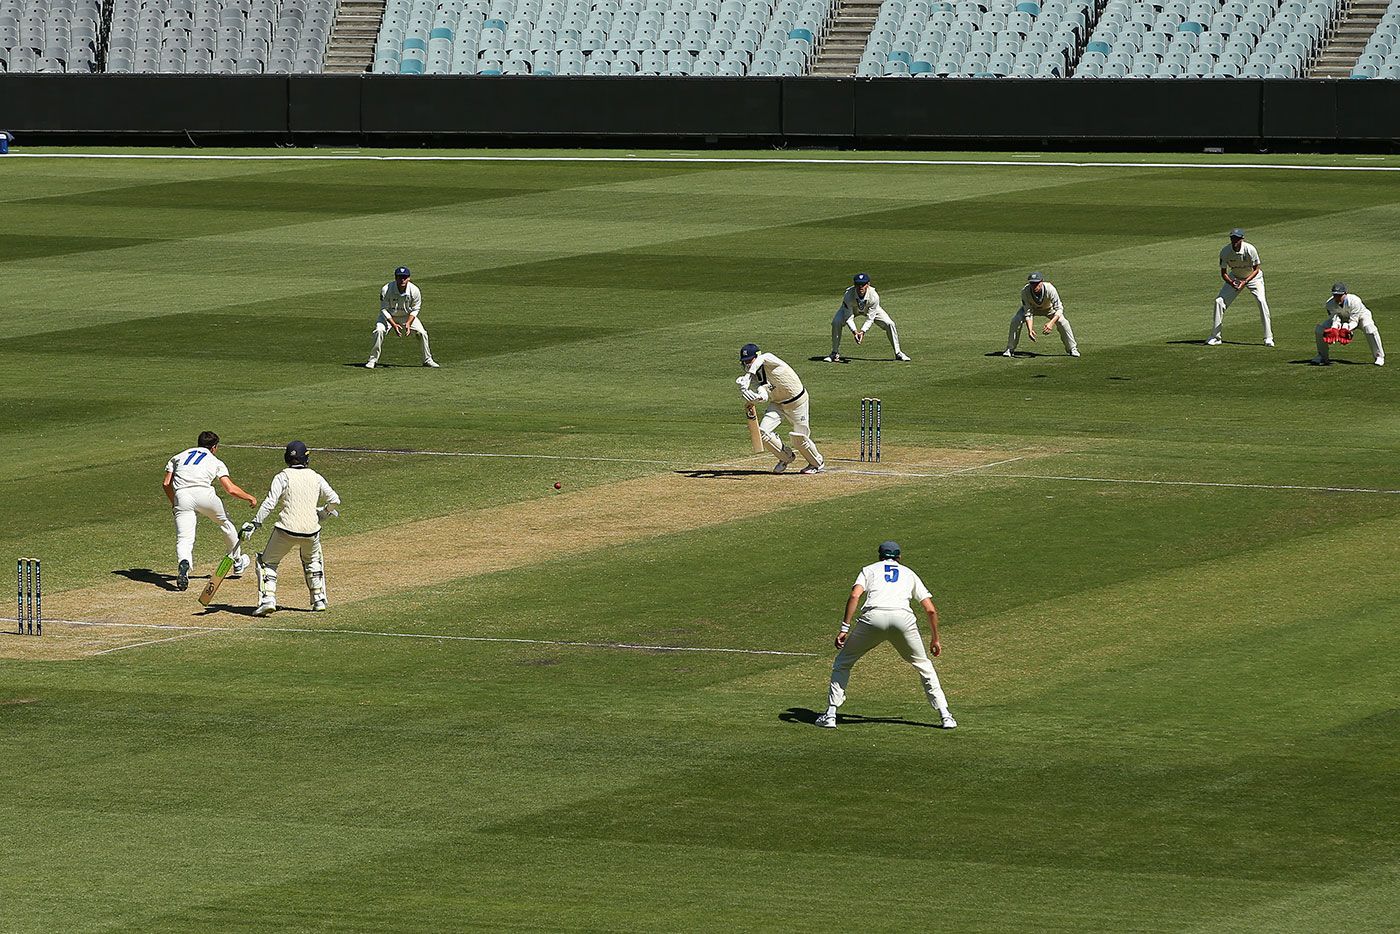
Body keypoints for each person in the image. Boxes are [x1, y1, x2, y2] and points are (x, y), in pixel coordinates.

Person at [816, 541, 956, 730]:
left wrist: (844, 628)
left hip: (873, 618)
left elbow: (855, 595)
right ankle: (946, 716)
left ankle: (831, 714)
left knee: (843, 662)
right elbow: (930, 610)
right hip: (903, 619)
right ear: (899, 557)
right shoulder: (909, 573)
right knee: (924, 666)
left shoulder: (869, 570)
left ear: (879, 556)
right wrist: (935, 639)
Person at [241, 441, 342, 616]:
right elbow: (334, 500)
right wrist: (324, 513)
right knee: (312, 561)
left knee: (267, 562)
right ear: (306, 458)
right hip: (311, 531)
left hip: (285, 530)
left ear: (287, 458)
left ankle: (268, 600)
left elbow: (270, 503)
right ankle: (318, 599)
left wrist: (255, 523)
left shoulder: (282, 476)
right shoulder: (316, 476)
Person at [162, 431, 257, 592]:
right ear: (214, 447)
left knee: (185, 537)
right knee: (226, 524)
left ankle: (184, 562)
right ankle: (238, 561)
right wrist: (249, 497)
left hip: (182, 496)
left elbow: (166, 483)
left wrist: (174, 503)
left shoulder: (178, 456)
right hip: (205, 495)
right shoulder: (215, 461)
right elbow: (230, 489)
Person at [737, 343, 825, 474]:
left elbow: (762, 359)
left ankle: (816, 463)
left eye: (750, 360)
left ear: (757, 356)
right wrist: (756, 397)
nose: (748, 364)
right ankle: (786, 457)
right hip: (778, 404)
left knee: (800, 439)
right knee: (762, 432)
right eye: (745, 362)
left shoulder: (769, 359)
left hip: (797, 402)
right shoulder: (756, 377)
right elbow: (764, 395)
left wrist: (748, 376)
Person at [1209, 228, 1274, 346]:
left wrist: (1245, 281)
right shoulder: (1225, 251)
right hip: (1235, 277)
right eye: (1232, 238)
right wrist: (1231, 282)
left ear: (1242, 239)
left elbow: (1256, 269)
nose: (1234, 241)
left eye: (1237, 239)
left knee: (1261, 301)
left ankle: (1268, 338)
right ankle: (1215, 337)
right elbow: (1223, 273)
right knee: (1219, 302)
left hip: (1254, 278)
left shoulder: (1250, 249)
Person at [826, 272, 910, 362]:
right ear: (854, 285)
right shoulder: (848, 295)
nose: (860, 287)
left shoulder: (874, 296)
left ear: (868, 284)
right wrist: (855, 332)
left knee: (890, 324)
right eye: (858, 284)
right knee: (836, 322)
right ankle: (834, 353)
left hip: (869, 308)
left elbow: (870, 318)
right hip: (853, 309)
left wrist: (862, 331)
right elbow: (849, 317)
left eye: (863, 284)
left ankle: (898, 353)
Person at [367, 266, 439, 369]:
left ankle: (427, 360)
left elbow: (415, 309)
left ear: (409, 278)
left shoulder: (414, 290)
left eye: (405, 277)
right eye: (400, 277)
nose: (402, 280)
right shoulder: (386, 289)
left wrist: (409, 323)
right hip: (389, 316)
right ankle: (372, 360)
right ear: (395, 278)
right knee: (379, 331)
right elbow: (384, 309)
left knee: (422, 333)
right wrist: (394, 324)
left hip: (406, 316)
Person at [1003, 272, 1079, 357]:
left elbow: (1059, 308)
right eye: (1032, 283)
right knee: (1016, 320)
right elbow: (1028, 312)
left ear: (1041, 282)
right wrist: (1030, 330)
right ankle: (1010, 348)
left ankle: (1072, 348)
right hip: (1032, 308)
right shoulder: (1025, 291)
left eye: (1036, 283)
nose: (1034, 286)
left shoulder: (1050, 289)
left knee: (1063, 322)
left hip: (1049, 309)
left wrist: (1051, 323)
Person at [1313, 282, 1385, 367]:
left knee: (1370, 329)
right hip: (1342, 318)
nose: (1337, 297)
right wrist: (1334, 329)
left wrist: (1346, 329)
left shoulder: (1355, 301)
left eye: (1340, 295)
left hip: (1361, 317)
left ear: (1345, 293)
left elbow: (1354, 321)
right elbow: (1335, 318)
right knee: (1319, 330)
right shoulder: (1329, 304)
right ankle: (1322, 356)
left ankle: (1379, 356)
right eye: (1335, 295)